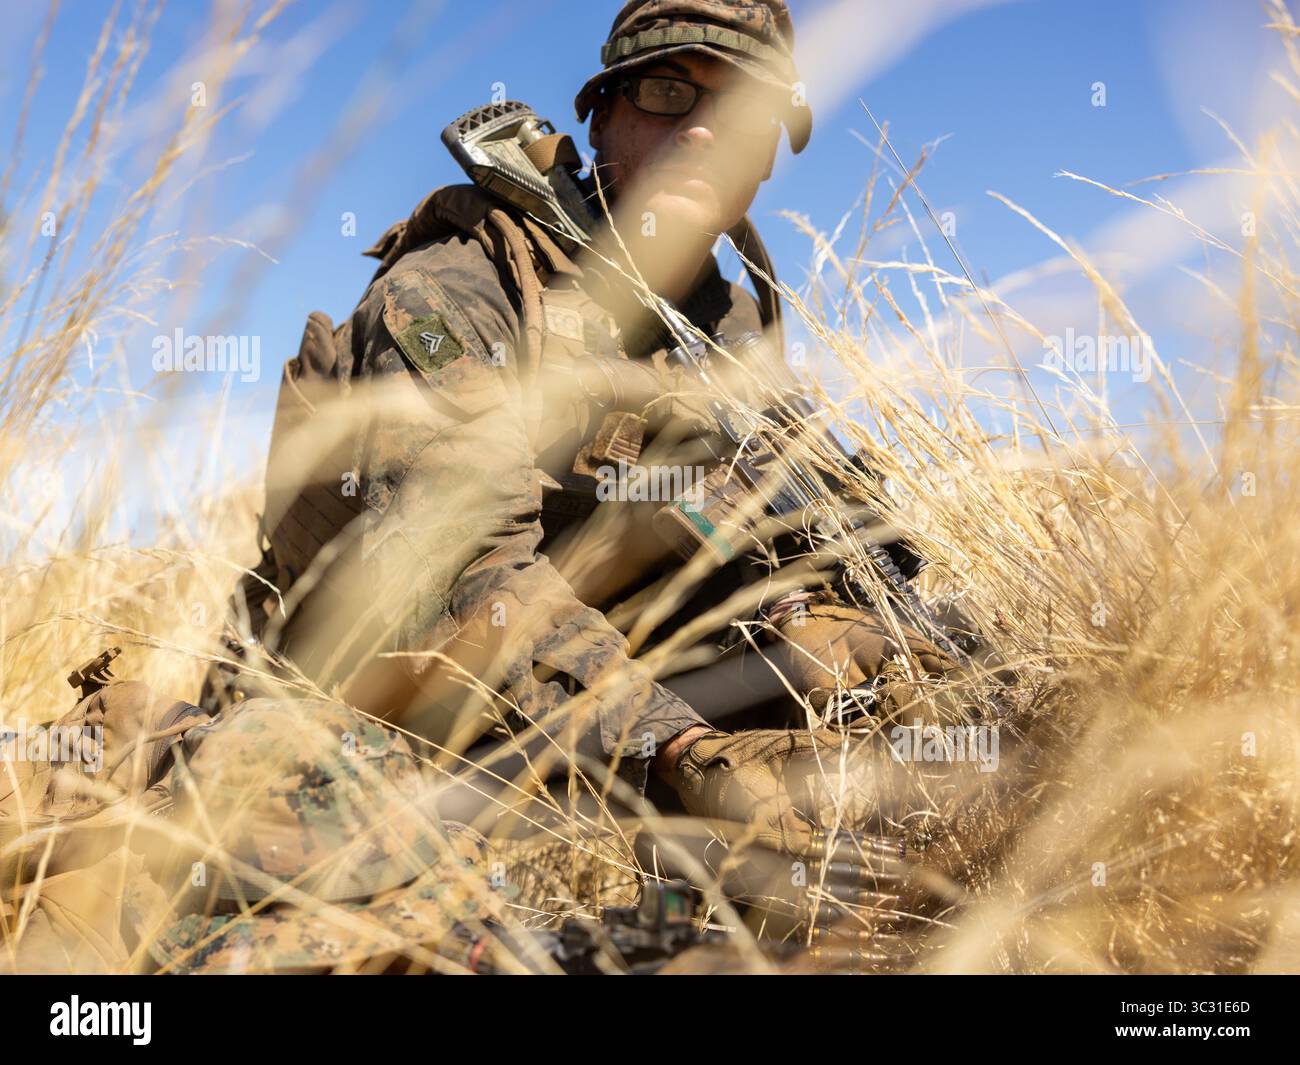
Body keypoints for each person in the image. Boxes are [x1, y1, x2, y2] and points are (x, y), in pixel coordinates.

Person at [205, 0, 955, 880]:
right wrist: (684, 753)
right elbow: (459, 567)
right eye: (670, 93)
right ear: (602, 117)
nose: (706, 133)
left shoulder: (726, 316)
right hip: (373, 707)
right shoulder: (462, 282)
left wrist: (850, 633)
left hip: (597, 690)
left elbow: (785, 525)